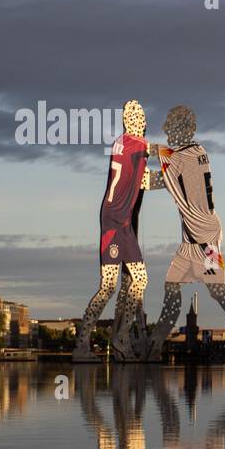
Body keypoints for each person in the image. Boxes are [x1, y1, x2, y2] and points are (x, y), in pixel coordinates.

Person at [145, 105, 225, 362]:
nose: (165, 131)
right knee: (172, 287)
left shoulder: (179, 156)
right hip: (192, 240)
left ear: (184, 130)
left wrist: (127, 154)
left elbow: (154, 170)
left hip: (206, 240)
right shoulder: (198, 151)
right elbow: (167, 177)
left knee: (216, 288)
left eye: (170, 126)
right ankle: (155, 345)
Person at [73, 100, 151, 362]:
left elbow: (139, 182)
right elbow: (148, 179)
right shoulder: (138, 145)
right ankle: (89, 343)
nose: (142, 121)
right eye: (139, 117)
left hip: (118, 220)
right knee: (110, 285)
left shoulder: (123, 144)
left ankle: (111, 338)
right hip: (116, 222)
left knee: (131, 280)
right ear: (133, 122)